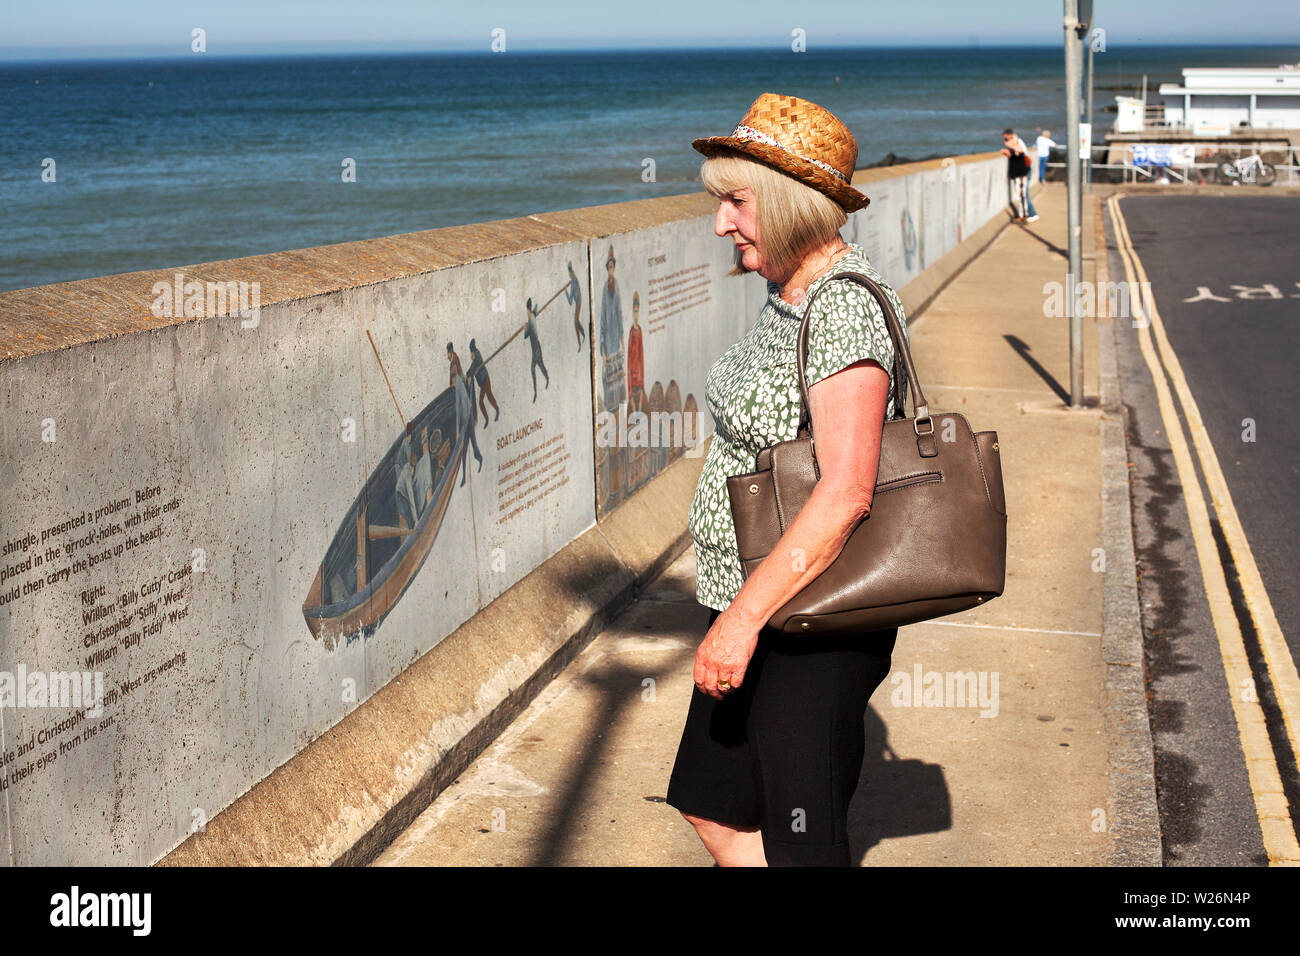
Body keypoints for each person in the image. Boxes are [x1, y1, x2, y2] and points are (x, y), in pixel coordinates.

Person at [667, 92, 906, 867]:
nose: (720, 223)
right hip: (758, 605)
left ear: (790, 205)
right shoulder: (791, 294)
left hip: (809, 625)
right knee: (715, 807)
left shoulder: (842, 311)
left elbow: (845, 492)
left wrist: (739, 623)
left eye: (736, 203)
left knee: (806, 845)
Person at [1001, 128, 1037, 223]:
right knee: (1020, 194)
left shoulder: (1018, 142)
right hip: (1018, 172)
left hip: (1023, 172)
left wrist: (1011, 147)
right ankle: (1023, 215)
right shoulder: (1013, 144)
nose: (1006, 141)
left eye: (1007, 139)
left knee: (1023, 194)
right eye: (1005, 139)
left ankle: (1030, 214)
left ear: (1011, 136)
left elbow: (1020, 151)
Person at [522, 298, 550, 402]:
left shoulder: (530, 322)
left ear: (527, 310)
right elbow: (536, 307)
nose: (526, 313)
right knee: (540, 365)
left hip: (535, 348)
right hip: (537, 346)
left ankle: (535, 392)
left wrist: (525, 327)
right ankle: (547, 379)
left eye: (527, 311)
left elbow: (525, 335)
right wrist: (533, 311)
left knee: (533, 368)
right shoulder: (533, 316)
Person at [467, 338, 499, 427]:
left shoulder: (477, 355)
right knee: (481, 402)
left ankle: (497, 409)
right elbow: (472, 368)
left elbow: (474, 365)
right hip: (482, 384)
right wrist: (468, 374)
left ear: (473, 351)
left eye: (471, 353)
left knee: (489, 396)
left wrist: (470, 375)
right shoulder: (475, 356)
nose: (471, 355)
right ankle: (486, 418)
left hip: (485, 379)